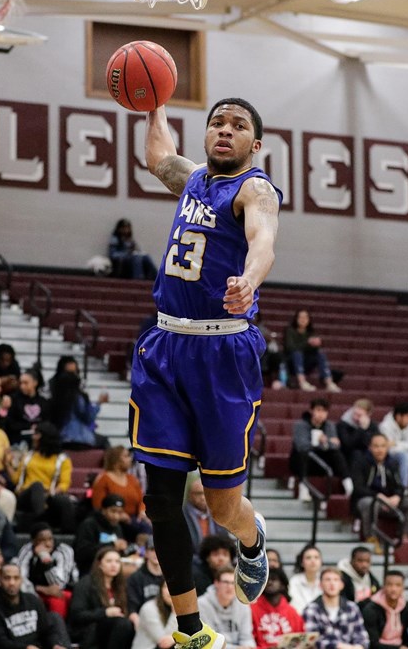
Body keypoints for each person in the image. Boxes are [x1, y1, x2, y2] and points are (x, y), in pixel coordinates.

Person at [131, 98, 280, 649]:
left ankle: (252, 536)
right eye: (218, 122)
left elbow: (263, 240)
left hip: (223, 354)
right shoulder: (193, 179)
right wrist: (155, 103)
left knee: (221, 508)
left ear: (255, 145)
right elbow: (157, 156)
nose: (225, 130)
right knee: (162, 498)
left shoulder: (255, 189)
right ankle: (191, 630)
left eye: (239, 126)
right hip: (166, 346)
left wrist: (249, 278)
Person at [0, 563, 70, 649]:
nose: (12, 582)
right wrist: (26, 647)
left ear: (21, 580)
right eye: (7, 578)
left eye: (16, 578)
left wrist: (54, 645)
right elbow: (0, 642)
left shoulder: (33, 600)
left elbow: (46, 631)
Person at [351, 435, 408, 541]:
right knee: (369, 503)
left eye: (383, 446)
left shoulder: (392, 463)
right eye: (376, 446)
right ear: (370, 448)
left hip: (389, 501)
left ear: (387, 448)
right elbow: (358, 488)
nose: (380, 450)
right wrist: (377, 496)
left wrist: (397, 496)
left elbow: (399, 486)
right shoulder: (360, 462)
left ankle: (403, 536)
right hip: (369, 500)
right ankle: (370, 538)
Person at [12, 422, 75, 534]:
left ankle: (67, 533)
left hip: (48, 494)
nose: (33, 437)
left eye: (36, 434)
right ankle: (41, 521)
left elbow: (64, 483)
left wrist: (51, 493)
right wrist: (7, 465)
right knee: (37, 486)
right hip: (26, 494)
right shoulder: (28, 456)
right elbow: (16, 480)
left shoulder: (63, 459)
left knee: (64, 501)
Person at [67, 546, 134, 649]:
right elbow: (77, 615)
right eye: (109, 561)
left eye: (117, 561)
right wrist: (105, 612)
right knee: (123, 624)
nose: (114, 565)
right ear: (99, 564)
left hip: (115, 629)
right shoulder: (86, 584)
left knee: (129, 624)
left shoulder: (121, 585)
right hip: (89, 629)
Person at [290, 399, 351, 503]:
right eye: (318, 410)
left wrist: (325, 442)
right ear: (311, 411)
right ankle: (303, 488)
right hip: (303, 461)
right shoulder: (300, 425)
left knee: (337, 454)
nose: (321, 414)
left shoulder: (329, 426)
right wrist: (322, 443)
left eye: (324, 411)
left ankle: (348, 484)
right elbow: (302, 446)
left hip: (321, 462)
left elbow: (335, 446)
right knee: (303, 454)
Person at [14, 523, 77, 619]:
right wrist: (40, 589)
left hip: (62, 591)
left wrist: (46, 560)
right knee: (26, 598)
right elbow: (20, 578)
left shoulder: (64, 550)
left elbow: (59, 584)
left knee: (56, 601)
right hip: (34, 590)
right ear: (34, 541)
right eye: (42, 540)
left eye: (50, 539)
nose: (48, 543)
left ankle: (58, 629)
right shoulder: (27, 550)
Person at [360, 570, 408, 649]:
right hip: (381, 647)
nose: (393, 589)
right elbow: (372, 644)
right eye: (390, 585)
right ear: (384, 586)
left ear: (403, 588)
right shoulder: (371, 609)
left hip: (401, 645)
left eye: (398, 585)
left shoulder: (405, 605)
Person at [302, 567, 368, 649]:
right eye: (327, 580)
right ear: (320, 585)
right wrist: (339, 646)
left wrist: (359, 646)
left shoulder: (352, 608)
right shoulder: (311, 610)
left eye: (336, 580)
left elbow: (362, 636)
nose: (332, 583)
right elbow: (312, 640)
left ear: (342, 585)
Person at [90, 446, 150, 532]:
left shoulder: (132, 479)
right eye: (126, 456)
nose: (130, 459)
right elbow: (98, 506)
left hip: (133, 518)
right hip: (112, 520)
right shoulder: (103, 479)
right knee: (144, 529)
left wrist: (142, 511)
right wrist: (118, 514)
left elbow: (141, 500)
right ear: (116, 460)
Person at [284, 309, 341, 393]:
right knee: (297, 354)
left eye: (305, 317)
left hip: (307, 362)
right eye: (301, 317)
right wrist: (307, 343)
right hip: (292, 362)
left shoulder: (311, 332)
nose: (303, 320)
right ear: (296, 319)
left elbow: (313, 350)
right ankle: (302, 381)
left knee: (320, 354)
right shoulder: (290, 331)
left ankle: (329, 382)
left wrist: (316, 344)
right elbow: (290, 347)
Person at [197, 566, 254, 649]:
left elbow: (247, 637)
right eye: (226, 582)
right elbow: (208, 642)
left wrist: (249, 646)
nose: (230, 587)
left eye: (233, 583)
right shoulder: (202, 604)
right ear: (216, 583)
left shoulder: (243, 605)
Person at [48, 371, 106, 450]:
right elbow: (87, 418)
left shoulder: (54, 399)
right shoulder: (78, 398)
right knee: (104, 441)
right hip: (80, 439)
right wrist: (98, 403)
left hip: (60, 439)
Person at [76, 494, 134, 573]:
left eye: (120, 512)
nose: (116, 516)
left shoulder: (117, 527)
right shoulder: (89, 524)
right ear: (103, 510)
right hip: (90, 569)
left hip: (111, 568)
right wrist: (112, 545)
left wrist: (123, 549)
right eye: (113, 511)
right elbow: (82, 552)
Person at [250, 569, 303, 649]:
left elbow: (301, 640)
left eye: (274, 579)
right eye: (267, 580)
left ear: (282, 584)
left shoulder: (292, 612)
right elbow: (248, 642)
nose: (269, 582)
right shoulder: (252, 610)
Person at [378, 403, 408, 489]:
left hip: (404, 451)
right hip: (389, 456)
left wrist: (397, 443)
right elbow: (390, 448)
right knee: (405, 456)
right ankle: (404, 487)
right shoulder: (385, 426)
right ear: (398, 416)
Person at [181, 480, 227, 559]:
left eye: (206, 493)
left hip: (216, 560)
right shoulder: (182, 515)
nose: (202, 497)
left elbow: (225, 540)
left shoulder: (217, 514)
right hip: (191, 560)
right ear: (190, 495)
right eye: (198, 494)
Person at [2, 369, 46, 448]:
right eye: (21, 383)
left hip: (39, 440)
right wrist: (29, 426)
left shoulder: (43, 401)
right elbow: (10, 424)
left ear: (35, 383)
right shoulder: (13, 399)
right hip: (17, 440)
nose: (22, 386)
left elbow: (47, 422)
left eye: (26, 383)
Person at [127, 543, 164, 625]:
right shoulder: (136, 578)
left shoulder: (171, 577)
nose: (156, 553)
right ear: (146, 553)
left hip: (166, 619)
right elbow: (132, 609)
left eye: (160, 549)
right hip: (144, 621)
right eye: (152, 550)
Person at [132, 582, 177, 649]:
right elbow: (164, 642)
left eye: (176, 587)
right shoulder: (149, 608)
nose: (171, 590)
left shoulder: (185, 608)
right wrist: (175, 613)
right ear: (160, 589)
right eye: (167, 587)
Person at [338, 399, 380, 469]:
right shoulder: (343, 424)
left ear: (368, 415)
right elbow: (348, 445)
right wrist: (361, 429)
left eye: (359, 415)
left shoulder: (372, 426)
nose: (355, 417)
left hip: (367, 456)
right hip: (348, 456)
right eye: (354, 413)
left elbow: (370, 443)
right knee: (357, 454)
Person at [285, 545, 322, 616]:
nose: (313, 561)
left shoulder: (325, 580)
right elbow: (294, 605)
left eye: (316, 557)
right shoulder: (294, 581)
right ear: (302, 562)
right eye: (308, 558)